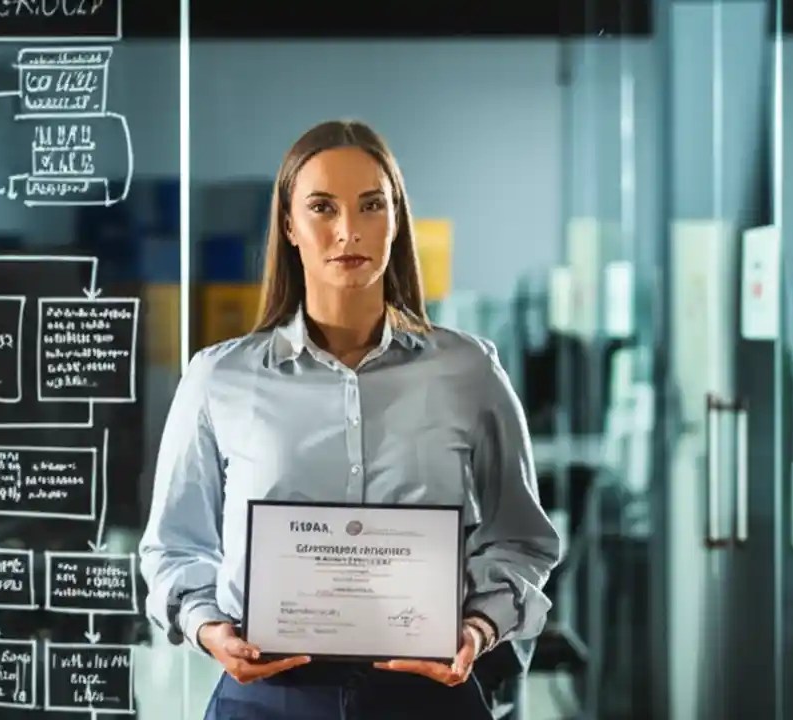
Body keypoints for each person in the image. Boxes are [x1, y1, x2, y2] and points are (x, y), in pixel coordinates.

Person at [138, 119, 562, 720]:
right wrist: (210, 629)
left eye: (371, 206)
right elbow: (173, 546)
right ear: (288, 225)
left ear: (396, 220)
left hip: (428, 698)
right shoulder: (218, 379)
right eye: (321, 208)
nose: (348, 231)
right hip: (268, 699)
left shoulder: (468, 370)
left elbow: (523, 539)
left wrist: (477, 629)